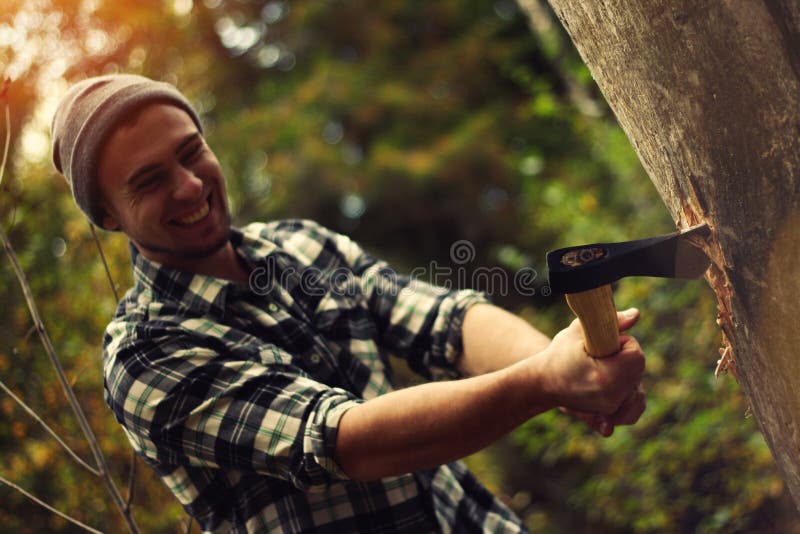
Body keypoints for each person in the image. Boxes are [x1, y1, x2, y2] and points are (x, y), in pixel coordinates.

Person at [51, 74, 646, 533]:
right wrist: (544, 381)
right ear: (108, 216)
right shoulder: (144, 356)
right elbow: (343, 441)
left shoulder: (303, 246)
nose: (188, 186)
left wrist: (570, 373)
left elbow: (444, 322)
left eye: (190, 153)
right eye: (149, 181)